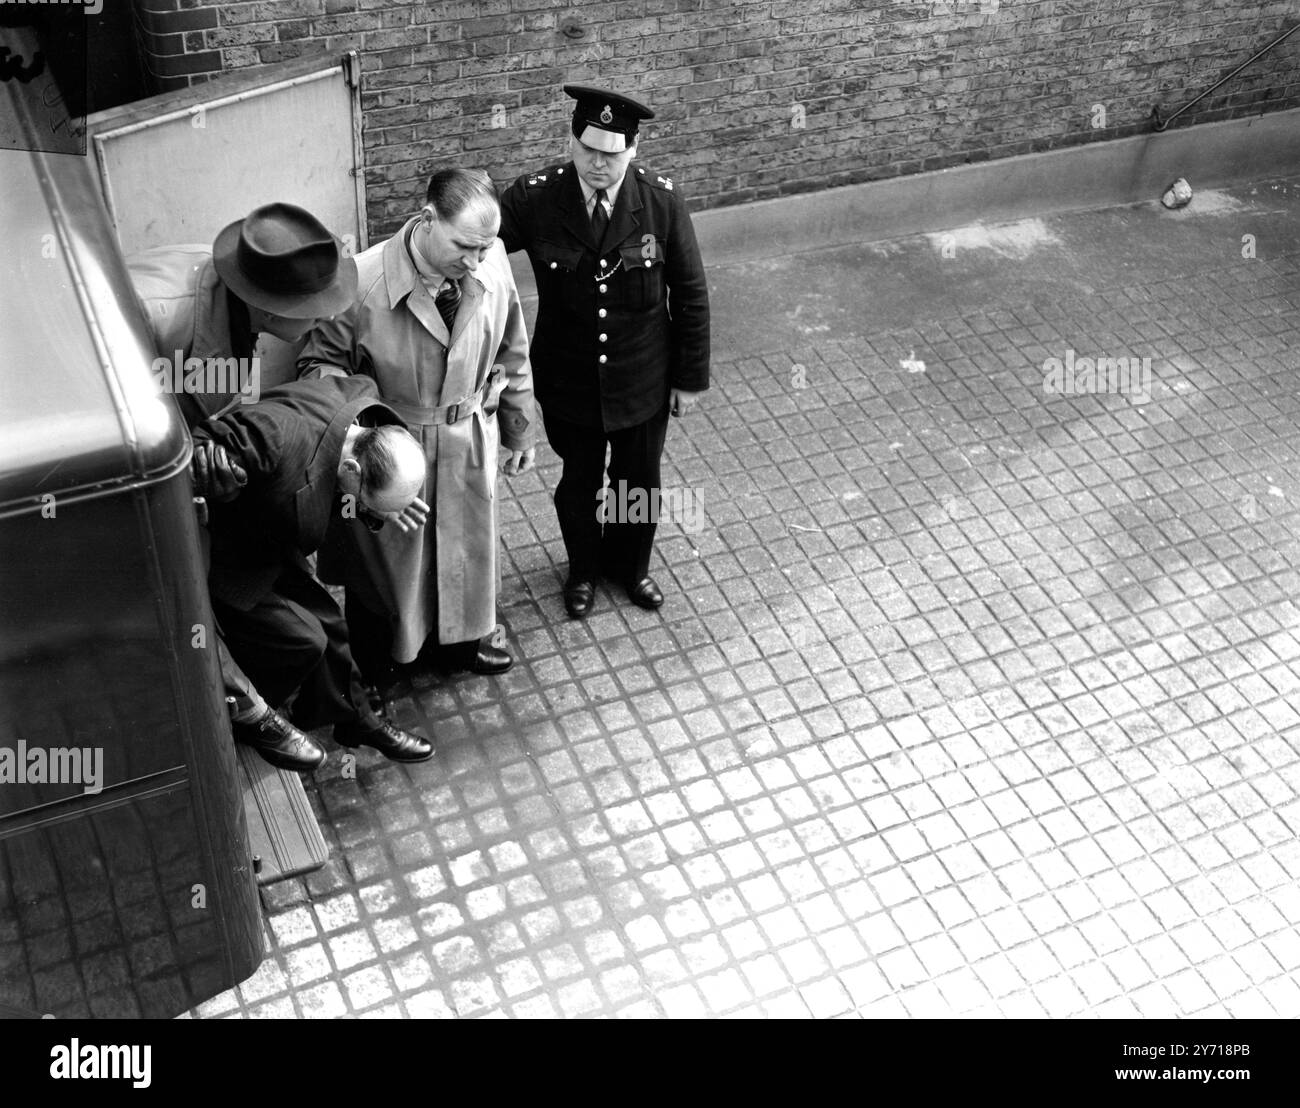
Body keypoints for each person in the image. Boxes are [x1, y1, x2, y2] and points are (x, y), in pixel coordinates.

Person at [128, 202, 359, 771]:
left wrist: (213, 455)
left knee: (292, 585)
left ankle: (346, 708)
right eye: (310, 310)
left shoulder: (227, 299)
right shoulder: (152, 317)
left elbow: (204, 403)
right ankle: (245, 707)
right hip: (133, 490)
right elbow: (126, 441)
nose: (321, 322)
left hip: (187, 464)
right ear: (265, 302)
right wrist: (194, 467)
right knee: (184, 594)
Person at [298, 168, 535, 688]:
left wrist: (518, 428)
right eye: (464, 247)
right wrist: (365, 443)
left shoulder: (489, 259)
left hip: (468, 438)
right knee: (384, 571)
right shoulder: (358, 282)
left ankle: (460, 648)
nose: (475, 262)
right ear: (428, 219)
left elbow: (512, 349)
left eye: (486, 247)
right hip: (392, 455)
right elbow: (319, 373)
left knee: (465, 554)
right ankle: (378, 673)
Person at [499, 84, 711, 619]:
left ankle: (630, 566)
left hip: (642, 375)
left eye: (612, 154)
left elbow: (689, 291)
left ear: (632, 151)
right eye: (589, 150)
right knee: (580, 482)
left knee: (638, 481)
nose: (599, 164)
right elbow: (478, 243)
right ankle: (583, 570)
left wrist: (688, 377)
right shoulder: (536, 197)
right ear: (571, 142)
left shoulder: (660, 202)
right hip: (568, 377)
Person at [192, 375, 435, 765]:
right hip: (225, 560)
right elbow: (199, 452)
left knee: (332, 626)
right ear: (353, 469)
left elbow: (336, 490)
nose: (373, 519)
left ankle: (357, 721)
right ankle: (243, 721)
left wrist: (387, 504)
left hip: (270, 541)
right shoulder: (274, 437)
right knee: (302, 641)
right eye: (371, 511)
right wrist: (216, 476)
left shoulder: (362, 404)